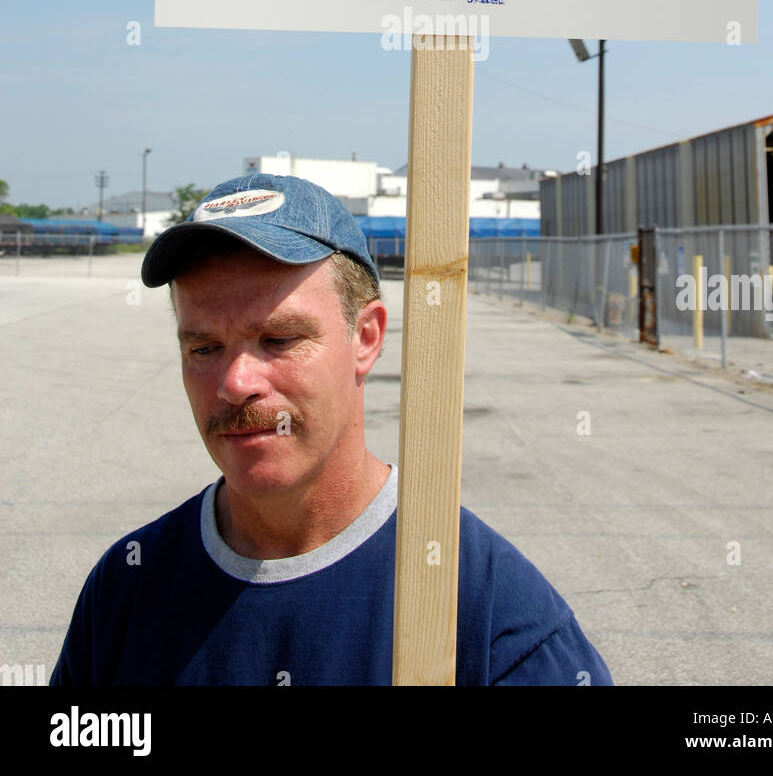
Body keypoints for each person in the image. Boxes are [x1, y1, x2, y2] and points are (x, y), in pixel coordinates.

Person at [50, 173, 612, 687]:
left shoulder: (484, 606)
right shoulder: (128, 588)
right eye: (203, 347)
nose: (235, 382)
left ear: (366, 337)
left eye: (279, 340)